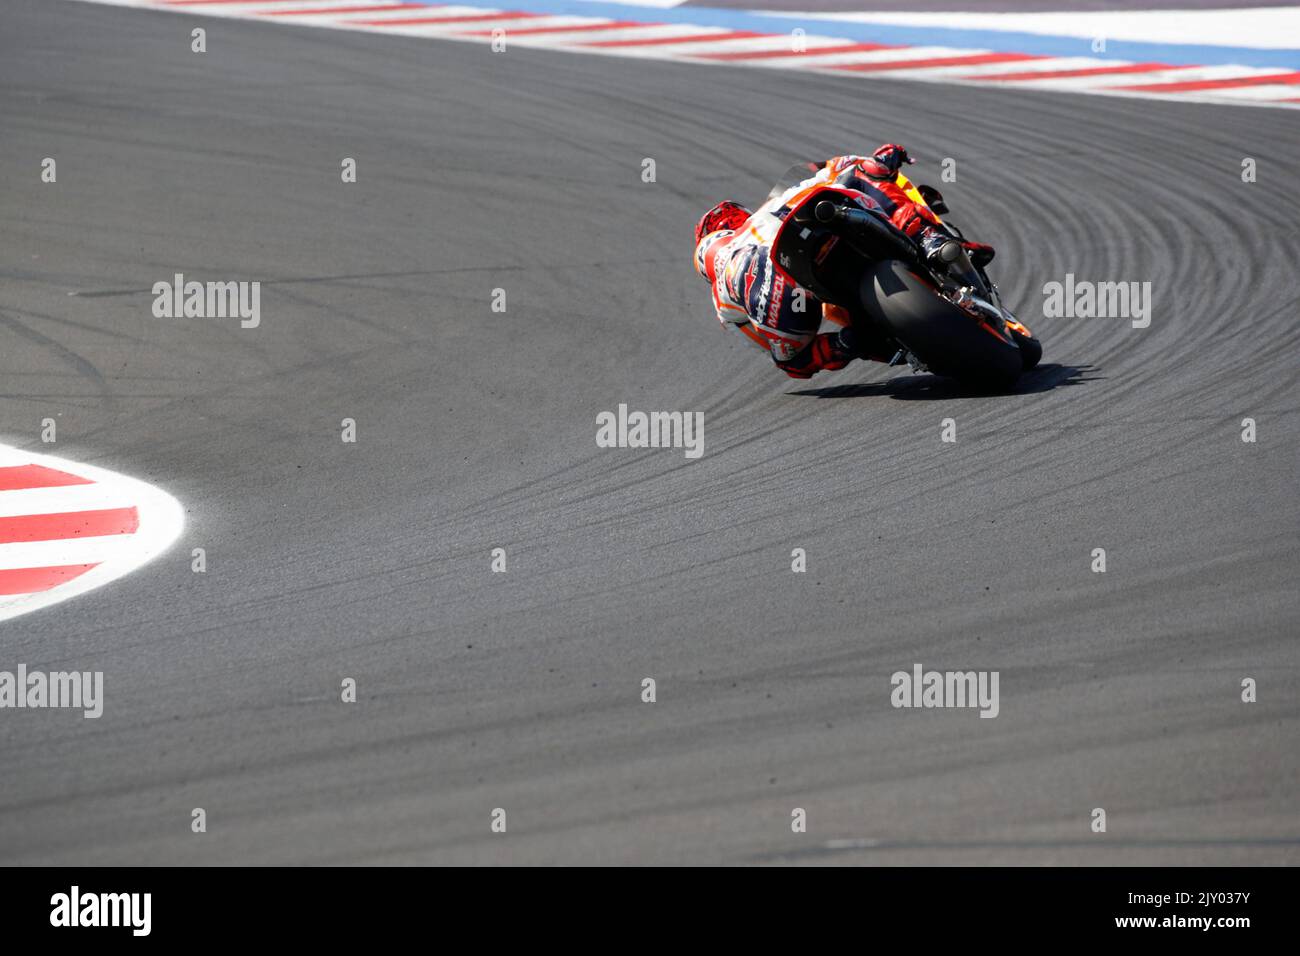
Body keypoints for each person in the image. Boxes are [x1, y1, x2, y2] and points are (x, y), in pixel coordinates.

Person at [693, 144, 993, 379]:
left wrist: (839, 347)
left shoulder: (721, 298)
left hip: (780, 288)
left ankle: (858, 341)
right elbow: (848, 166)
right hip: (809, 231)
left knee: (799, 358)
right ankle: (931, 239)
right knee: (868, 174)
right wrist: (886, 158)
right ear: (737, 219)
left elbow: (789, 364)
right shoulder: (771, 208)